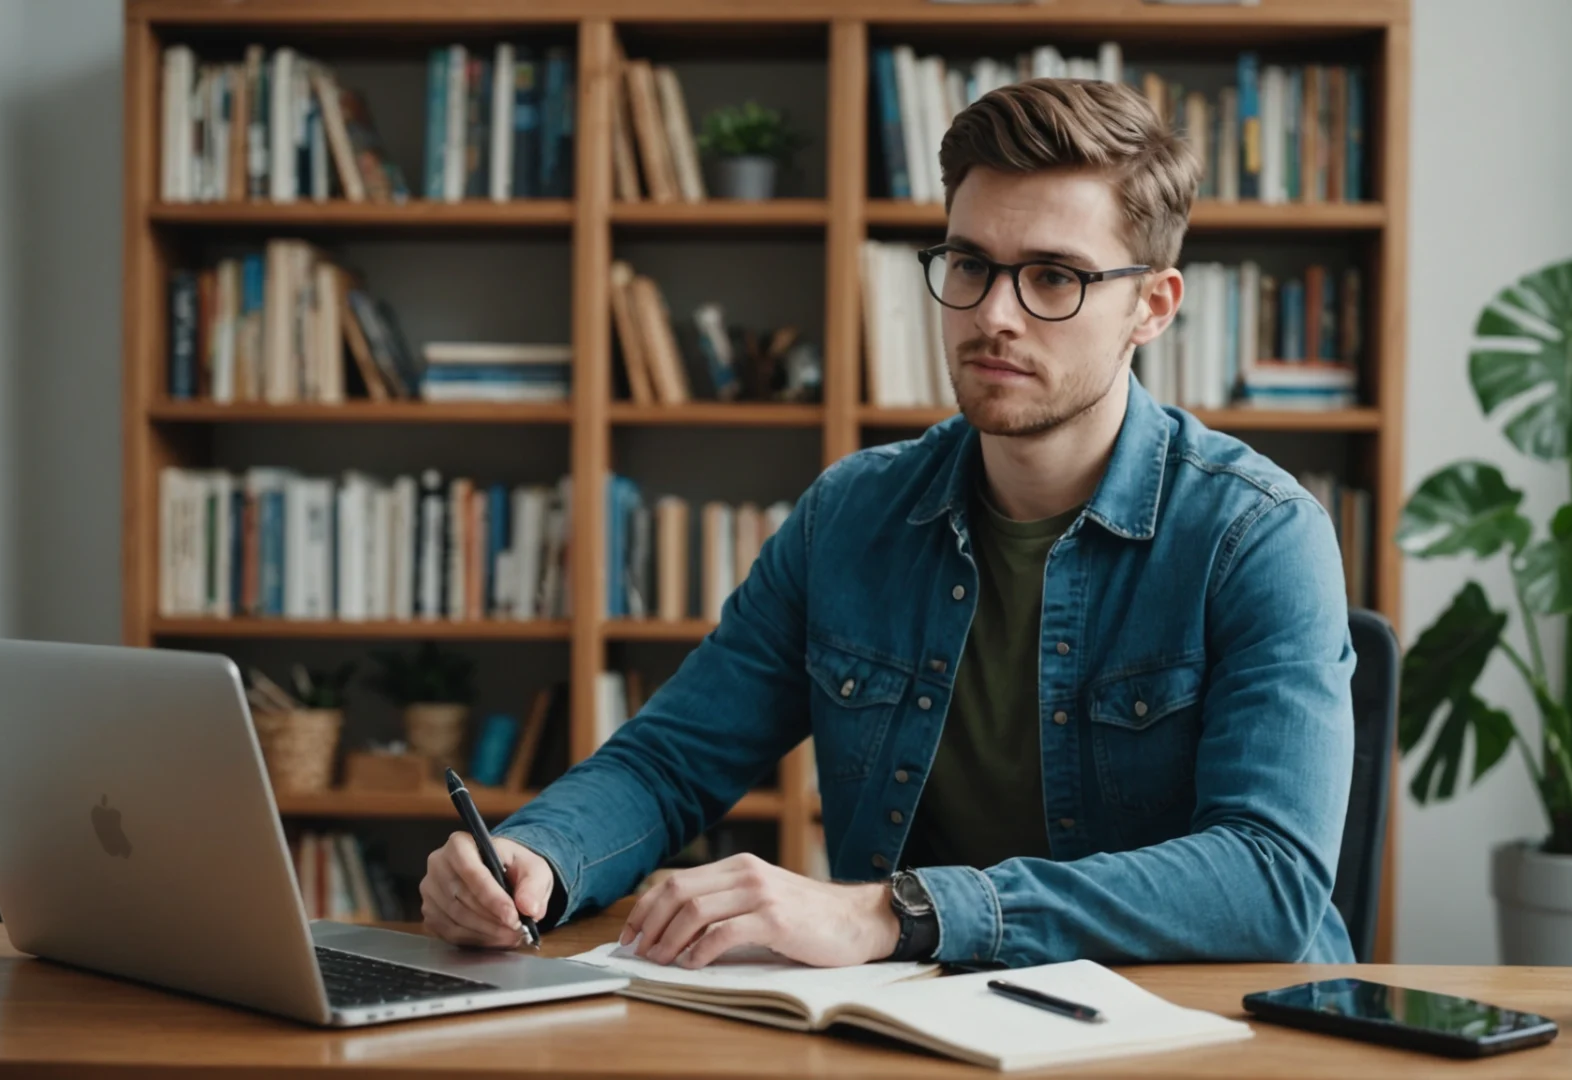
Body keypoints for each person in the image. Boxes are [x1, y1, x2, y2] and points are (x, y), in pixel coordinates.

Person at [419, 78, 1357, 970]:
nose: (994, 314)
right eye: (969, 264)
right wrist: (538, 857)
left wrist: (895, 911)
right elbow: (671, 762)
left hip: (1202, 1027)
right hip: (927, 1019)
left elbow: (1269, 878)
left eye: (1053, 278)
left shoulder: (1257, 535)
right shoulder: (850, 516)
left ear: (1151, 306)